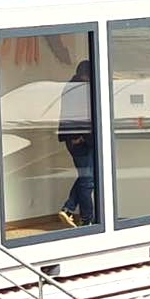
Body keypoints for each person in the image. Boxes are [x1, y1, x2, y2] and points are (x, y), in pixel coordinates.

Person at [58, 60, 95, 227]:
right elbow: (81, 117)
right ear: (85, 75)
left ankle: (68, 209)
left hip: (76, 139)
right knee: (88, 181)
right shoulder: (79, 89)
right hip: (80, 141)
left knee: (85, 177)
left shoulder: (71, 87)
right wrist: (82, 137)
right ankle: (87, 219)